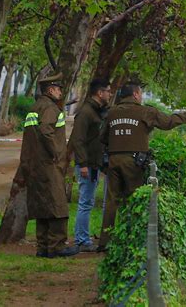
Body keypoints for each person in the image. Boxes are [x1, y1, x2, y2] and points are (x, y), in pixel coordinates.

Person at [96, 83, 186, 252]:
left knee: (112, 201)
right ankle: (133, 241)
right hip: (133, 163)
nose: (141, 96)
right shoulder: (145, 111)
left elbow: (103, 137)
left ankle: (105, 243)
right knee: (136, 199)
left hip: (113, 160)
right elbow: (168, 122)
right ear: (135, 95)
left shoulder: (112, 112)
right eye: (140, 93)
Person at [19, 72, 78, 258]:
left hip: (35, 164)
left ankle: (43, 247)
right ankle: (57, 246)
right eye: (59, 88)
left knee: (43, 206)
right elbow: (46, 130)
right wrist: (56, 152)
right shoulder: (50, 108)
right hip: (49, 164)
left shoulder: (35, 107)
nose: (61, 92)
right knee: (58, 205)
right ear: (51, 90)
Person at [68, 79, 110, 252]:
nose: (110, 94)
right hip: (87, 165)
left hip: (94, 163)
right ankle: (81, 239)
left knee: (88, 201)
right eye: (108, 91)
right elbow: (78, 140)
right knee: (85, 202)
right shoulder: (86, 112)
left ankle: (82, 237)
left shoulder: (96, 111)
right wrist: (83, 164)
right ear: (100, 93)